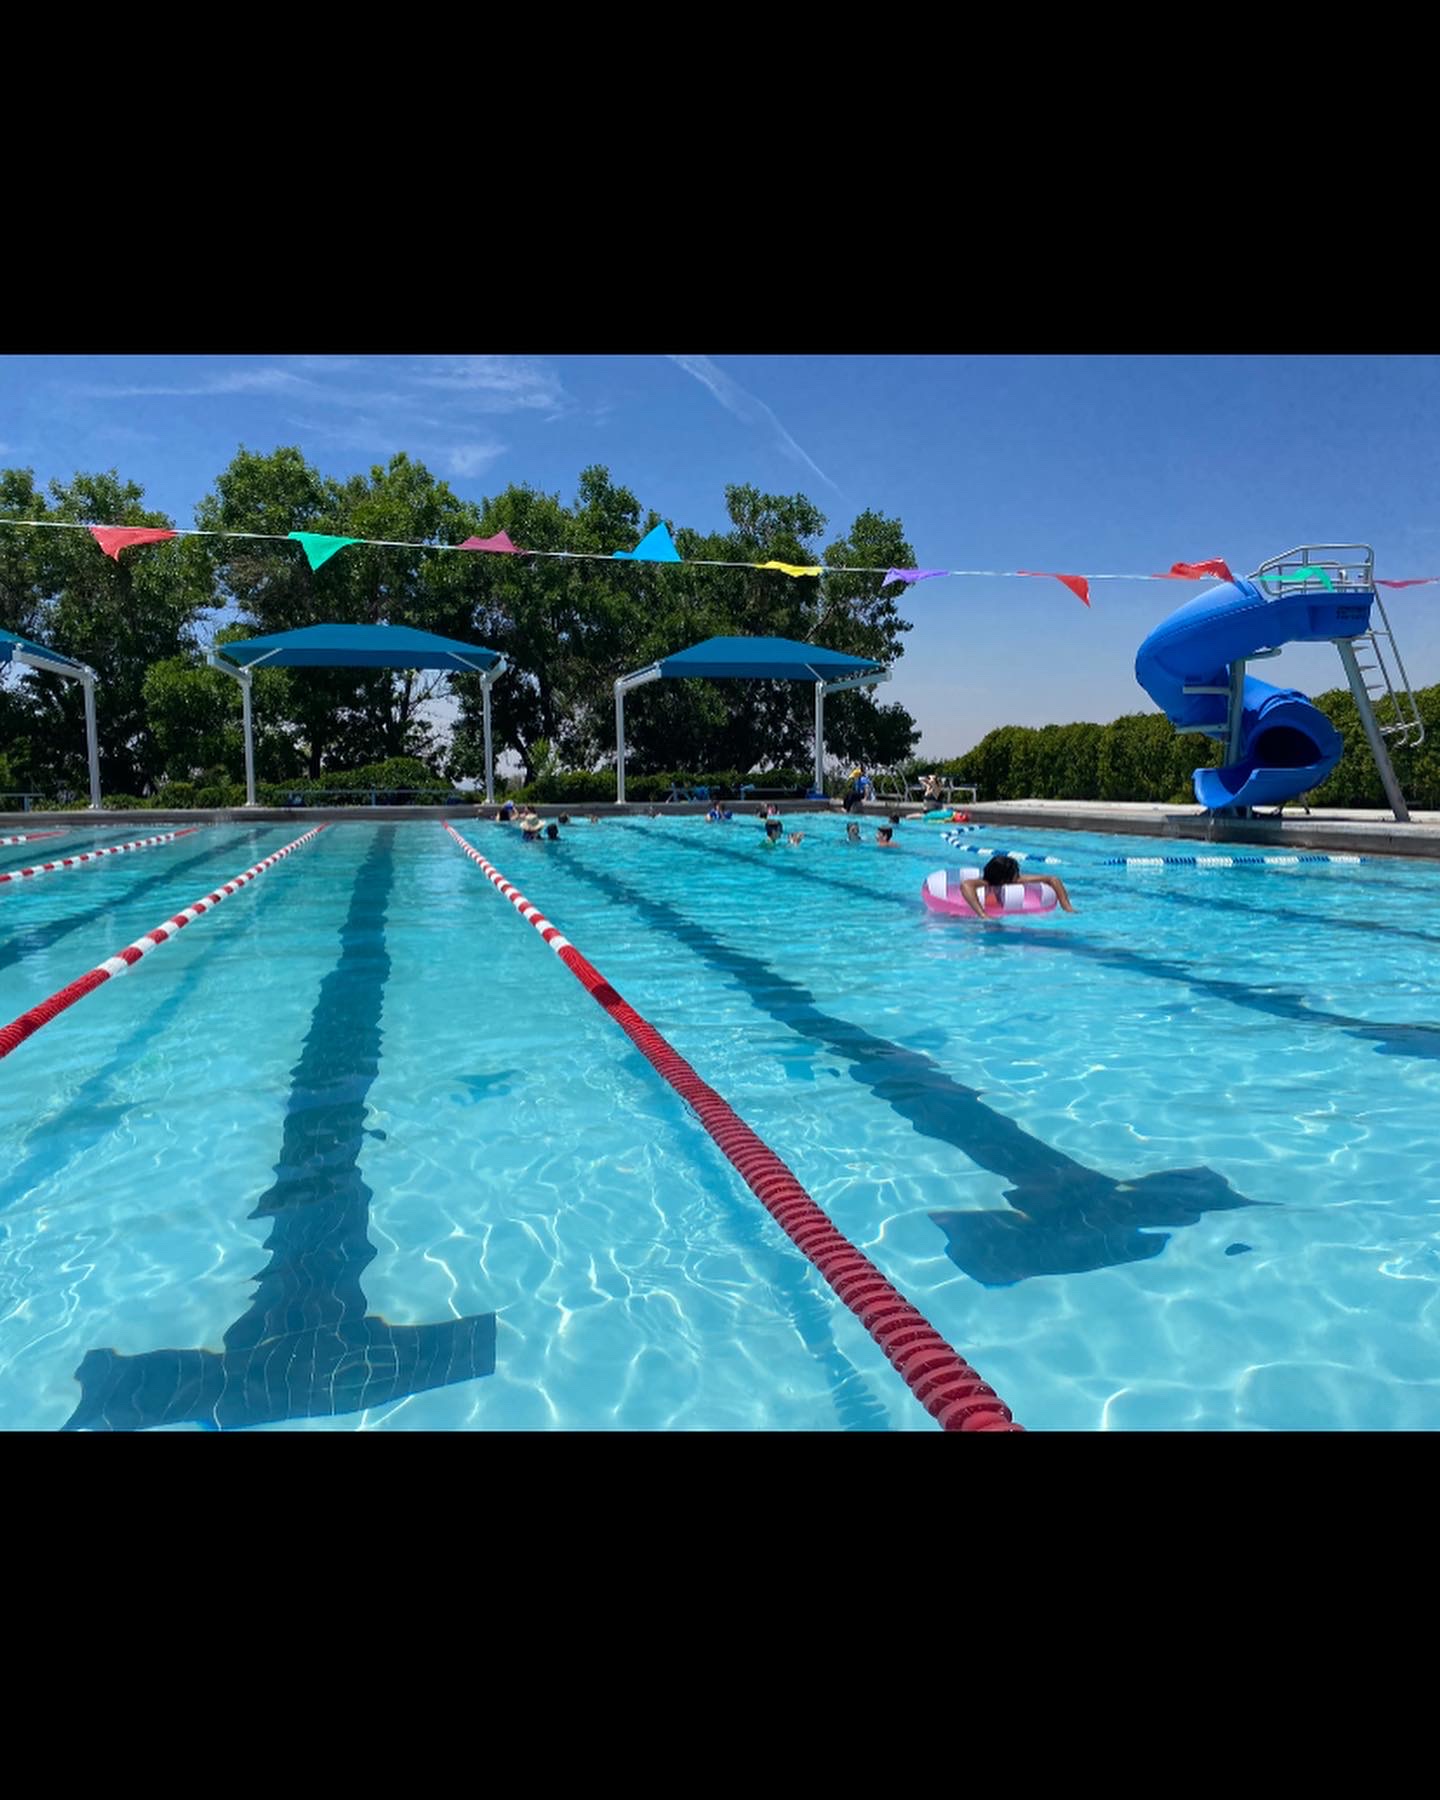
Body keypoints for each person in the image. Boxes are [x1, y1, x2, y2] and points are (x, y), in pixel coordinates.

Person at [959, 853, 1077, 920]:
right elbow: (966, 885)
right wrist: (982, 914)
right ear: (1005, 875)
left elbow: (1053, 879)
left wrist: (1067, 907)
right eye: (1015, 871)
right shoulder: (986, 882)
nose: (1018, 874)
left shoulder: (1014, 880)